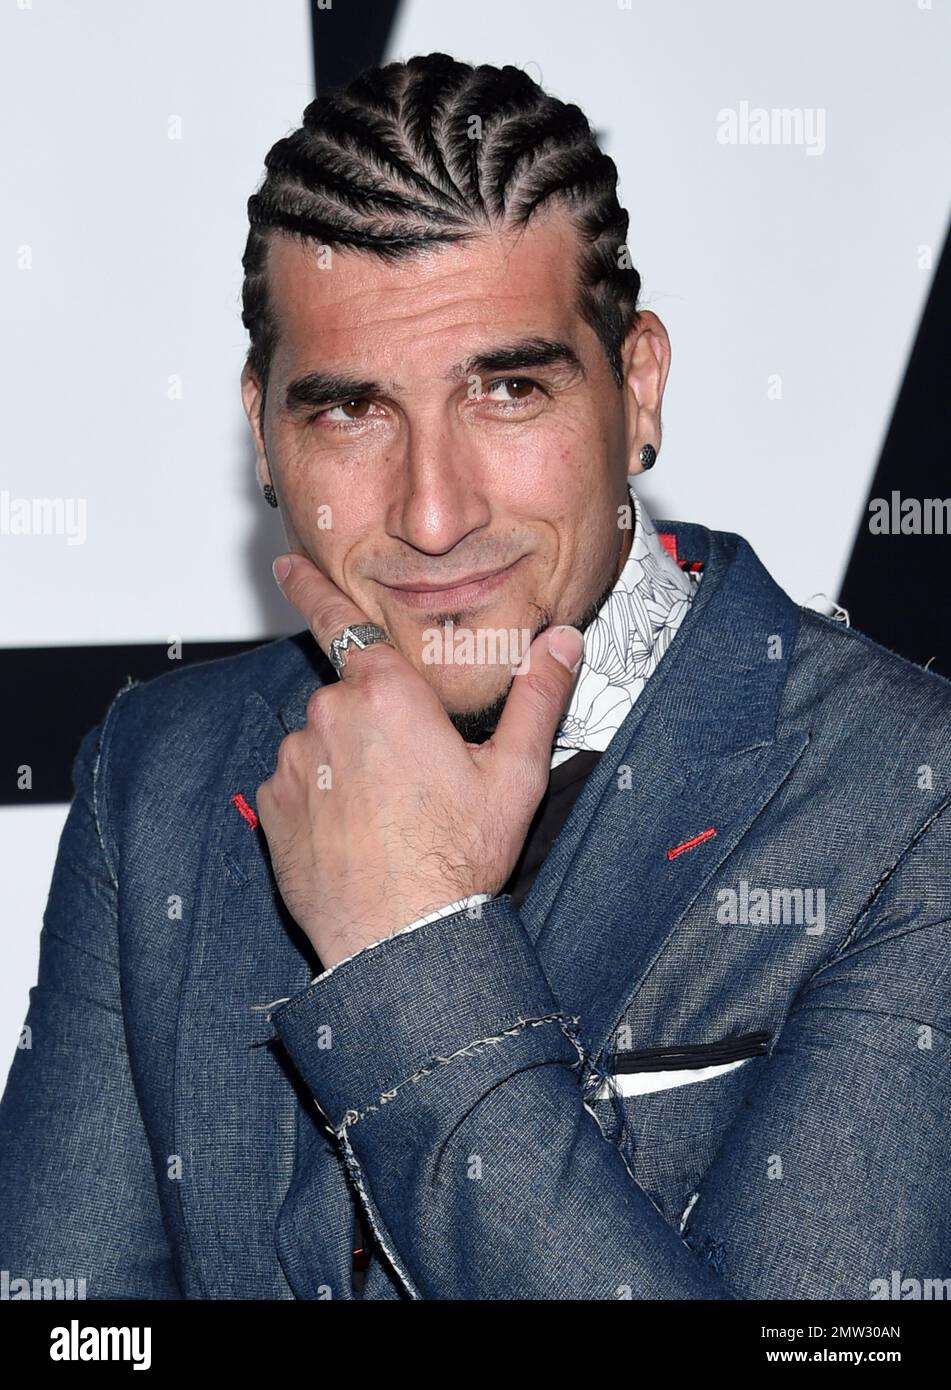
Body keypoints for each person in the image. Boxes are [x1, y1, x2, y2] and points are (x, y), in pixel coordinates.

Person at [1, 52, 949, 1301]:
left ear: (640, 387)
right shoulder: (160, 771)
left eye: (507, 389)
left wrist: (409, 945)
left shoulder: (906, 794)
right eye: (349, 411)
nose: (434, 515)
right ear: (262, 432)